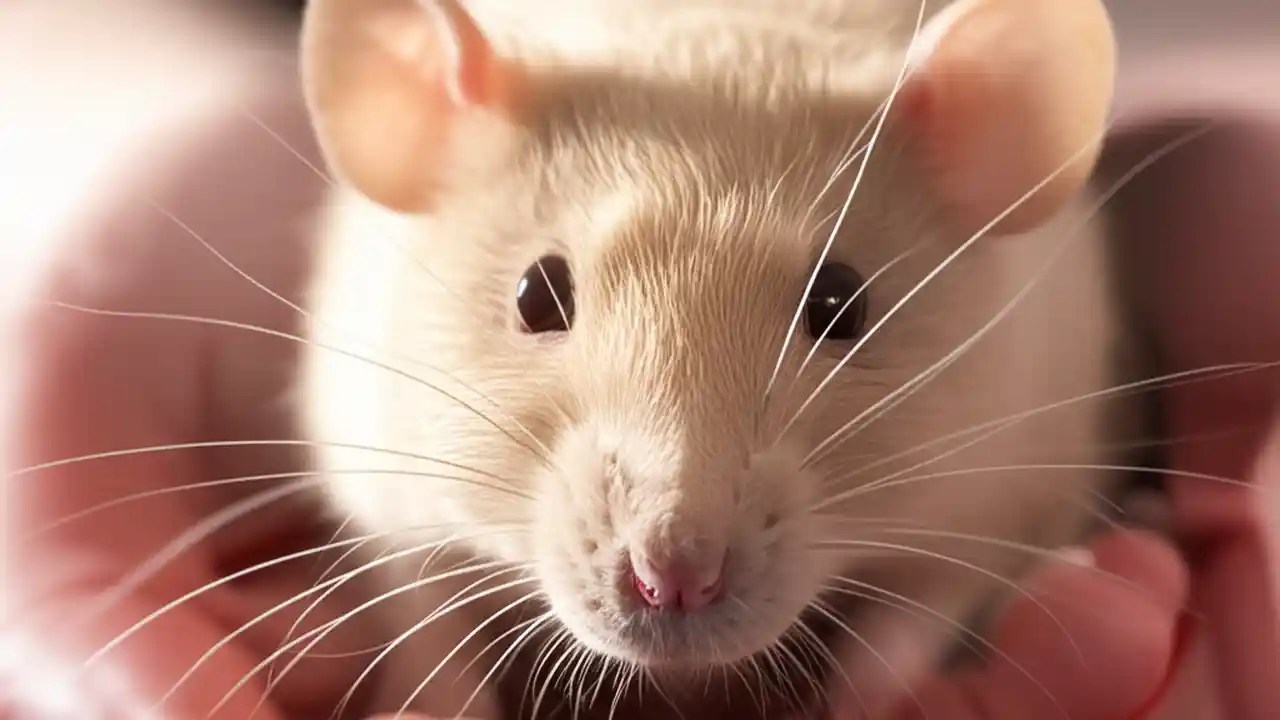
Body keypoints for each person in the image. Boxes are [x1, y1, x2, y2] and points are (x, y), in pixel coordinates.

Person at [3, 34, 1278, 720]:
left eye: (832, 311)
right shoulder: (409, 244)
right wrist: (430, 657)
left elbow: (1015, 504)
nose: (672, 556)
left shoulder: (1000, 270)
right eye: (542, 301)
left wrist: (900, 646)